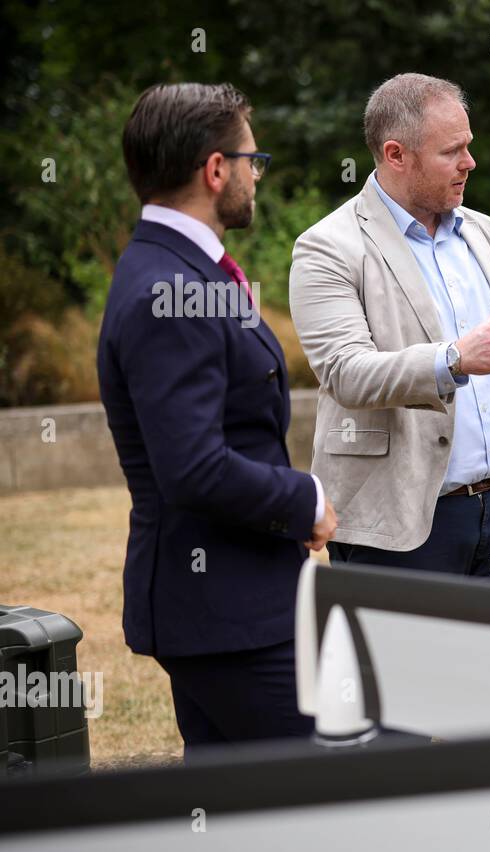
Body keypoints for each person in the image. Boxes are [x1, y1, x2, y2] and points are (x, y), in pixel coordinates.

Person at [290, 74, 490, 584]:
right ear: (396, 155)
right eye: (452, 151)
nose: (470, 163)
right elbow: (345, 373)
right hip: (403, 522)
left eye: (469, 146)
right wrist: (452, 360)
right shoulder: (327, 248)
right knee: (409, 669)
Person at [98, 83, 337, 757]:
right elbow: (193, 466)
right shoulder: (167, 290)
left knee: (236, 816)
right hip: (223, 613)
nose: (254, 177)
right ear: (215, 169)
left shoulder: (174, 269)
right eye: (250, 161)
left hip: (233, 602)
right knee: (338, 788)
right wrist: (305, 498)